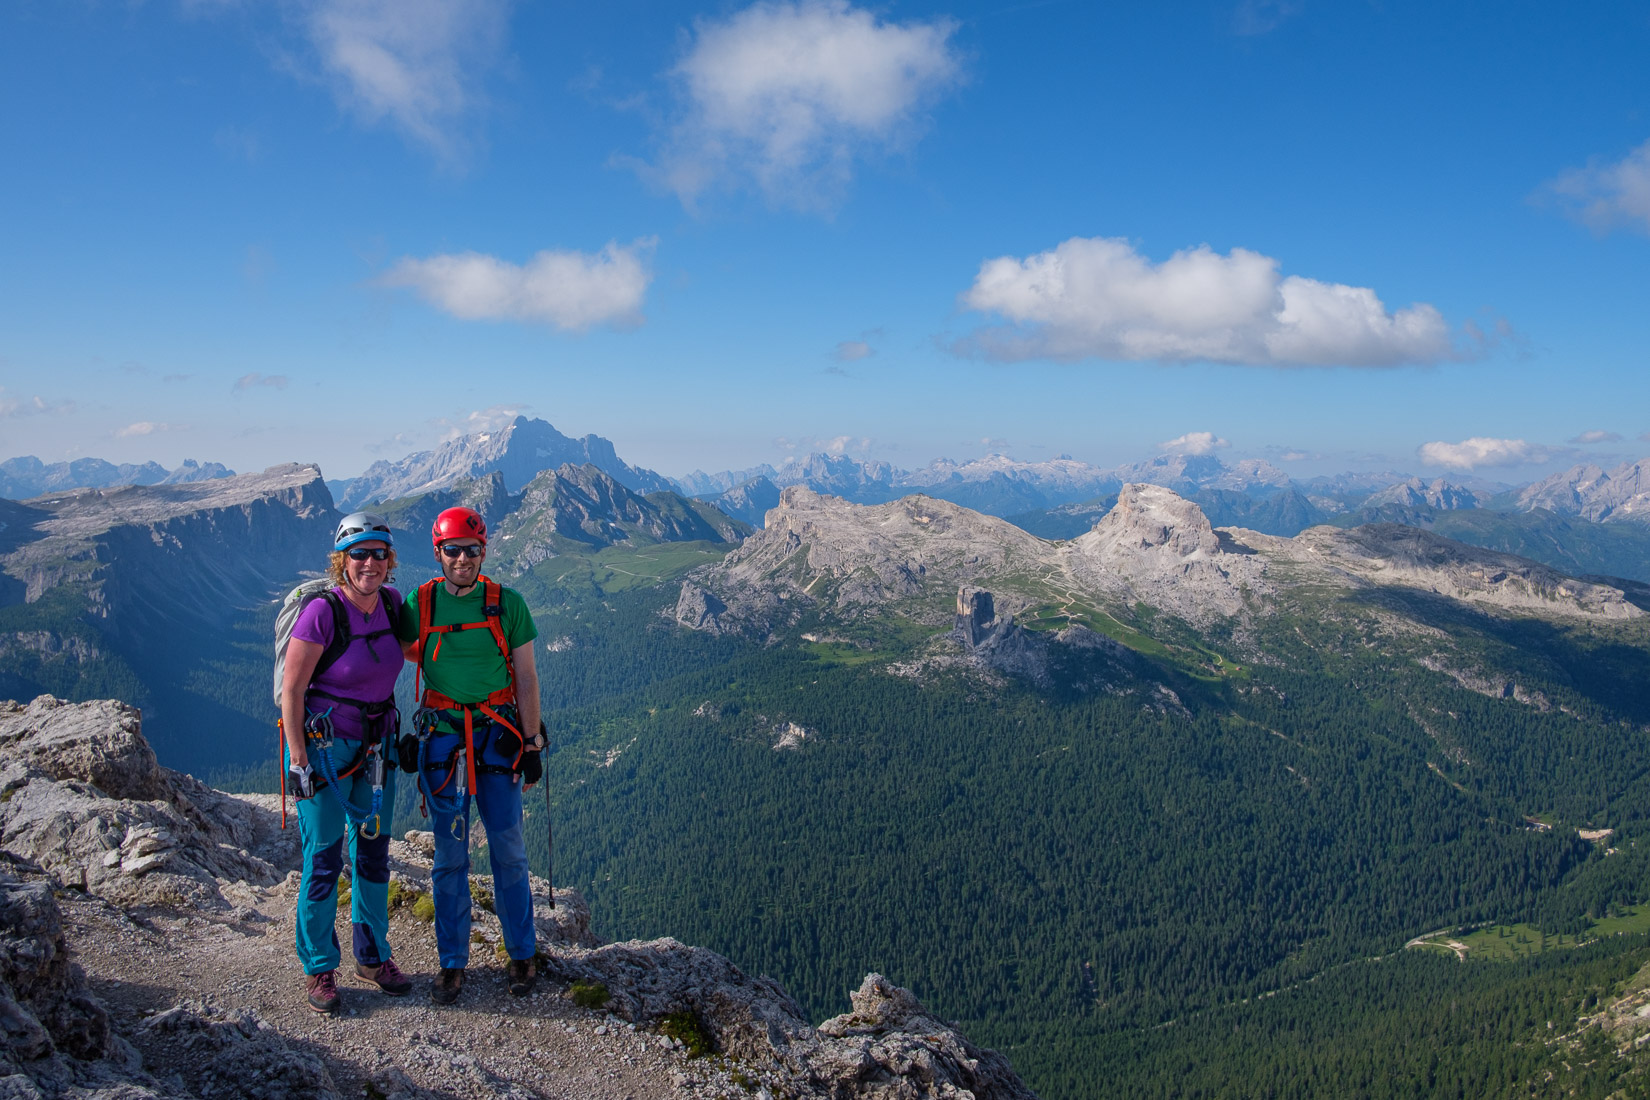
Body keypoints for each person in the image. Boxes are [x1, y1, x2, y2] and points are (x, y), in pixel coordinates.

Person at [398, 506, 545, 1005]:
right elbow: (388, 653)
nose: (463, 559)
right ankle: (451, 962)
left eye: (472, 550)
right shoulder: (420, 605)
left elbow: (525, 676)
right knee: (450, 854)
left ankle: (522, 953)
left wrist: (531, 743)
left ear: (485, 552)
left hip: (496, 735)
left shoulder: (508, 604)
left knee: (508, 849)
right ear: (438, 553)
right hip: (444, 737)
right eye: (454, 550)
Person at [280, 512, 412, 1014]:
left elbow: (413, 653)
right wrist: (299, 761)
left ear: (389, 560)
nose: (370, 563)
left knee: (373, 857)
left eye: (380, 553)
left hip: (378, 748)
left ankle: (373, 957)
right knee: (324, 861)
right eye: (359, 554)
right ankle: (319, 968)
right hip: (325, 753)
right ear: (342, 561)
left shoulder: (393, 604)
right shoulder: (322, 613)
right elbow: (292, 690)